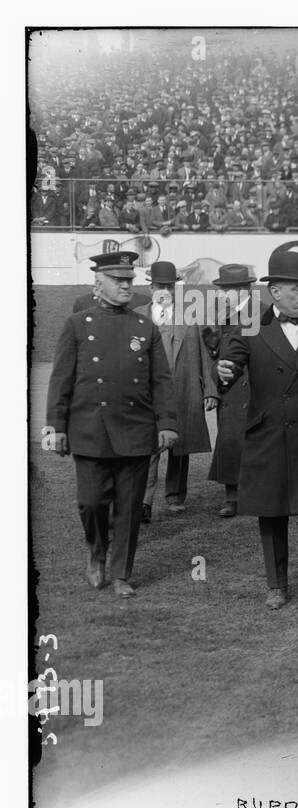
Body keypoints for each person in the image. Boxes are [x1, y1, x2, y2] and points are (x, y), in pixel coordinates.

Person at [217, 251, 298, 609]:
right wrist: (225, 370)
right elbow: (230, 359)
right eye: (297, 288)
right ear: (274, 291)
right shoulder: (250, 326)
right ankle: (276, 584)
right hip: (269, 434)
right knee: (271, 509)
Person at [43, 251, 178, 598]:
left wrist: (167, 422)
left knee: (130, 507)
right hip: (90, 430)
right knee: (91, 502)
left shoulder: (144, 325)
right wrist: (56, 427)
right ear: (97, 283)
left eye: (129, 280)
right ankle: (97, 553)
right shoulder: (77, 324)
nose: (126, 286)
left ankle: (121, 573)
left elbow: (161, 379)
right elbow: (61, 380)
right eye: (118, 280)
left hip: (135, 429)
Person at [135, 261, 217, 521]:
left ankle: (175, 495)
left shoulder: (190, 316)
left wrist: (210, 390)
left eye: (170, 286)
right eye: (160, 285)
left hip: (184, 388)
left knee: (180, 448)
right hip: (148, 394)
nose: (165, 290)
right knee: (148, 447)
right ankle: (144, 502)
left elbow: (205, 355)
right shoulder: (137, 316)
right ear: (151, 288)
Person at [203, 264, 257, 516]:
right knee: (229, 441)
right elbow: (213, 355)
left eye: (227, 289)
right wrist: (216, 374)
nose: (223, 294)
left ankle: (254, 494)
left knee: (255, 443)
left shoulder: (262, 313)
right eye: (223, 289)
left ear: (243, 289)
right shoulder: (220, 317)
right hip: (230, 388)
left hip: (255, 387)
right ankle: (232, 497)